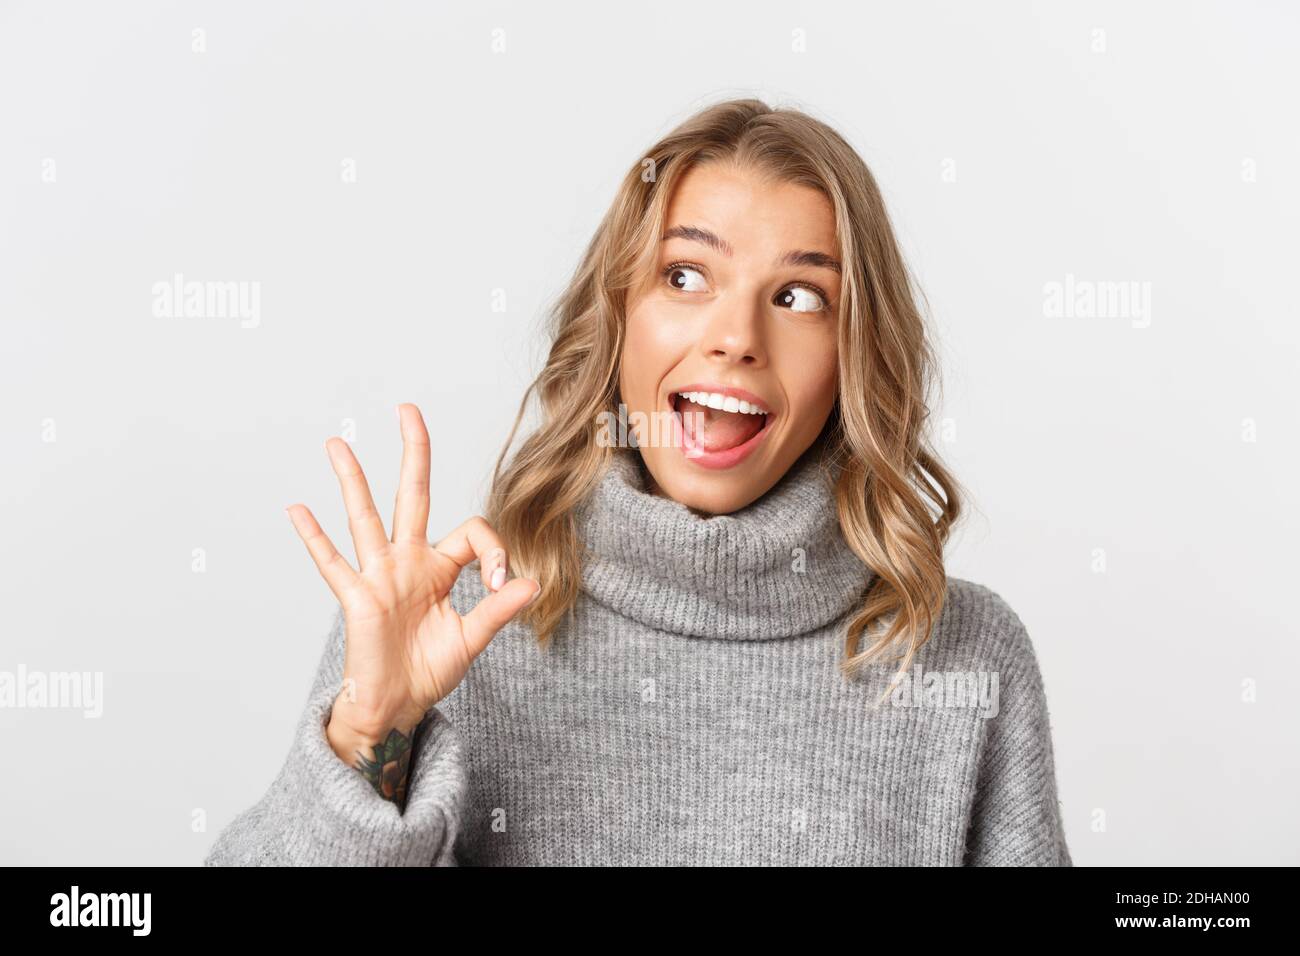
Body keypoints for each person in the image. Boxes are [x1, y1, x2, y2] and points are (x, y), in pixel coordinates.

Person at [205, 98, 1071, 866]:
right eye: (684, 275)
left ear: (855, 359)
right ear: (615, 317)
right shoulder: (450, 626)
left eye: (801, 296)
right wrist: (369, 736)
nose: (736, 336)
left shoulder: (961, 655)